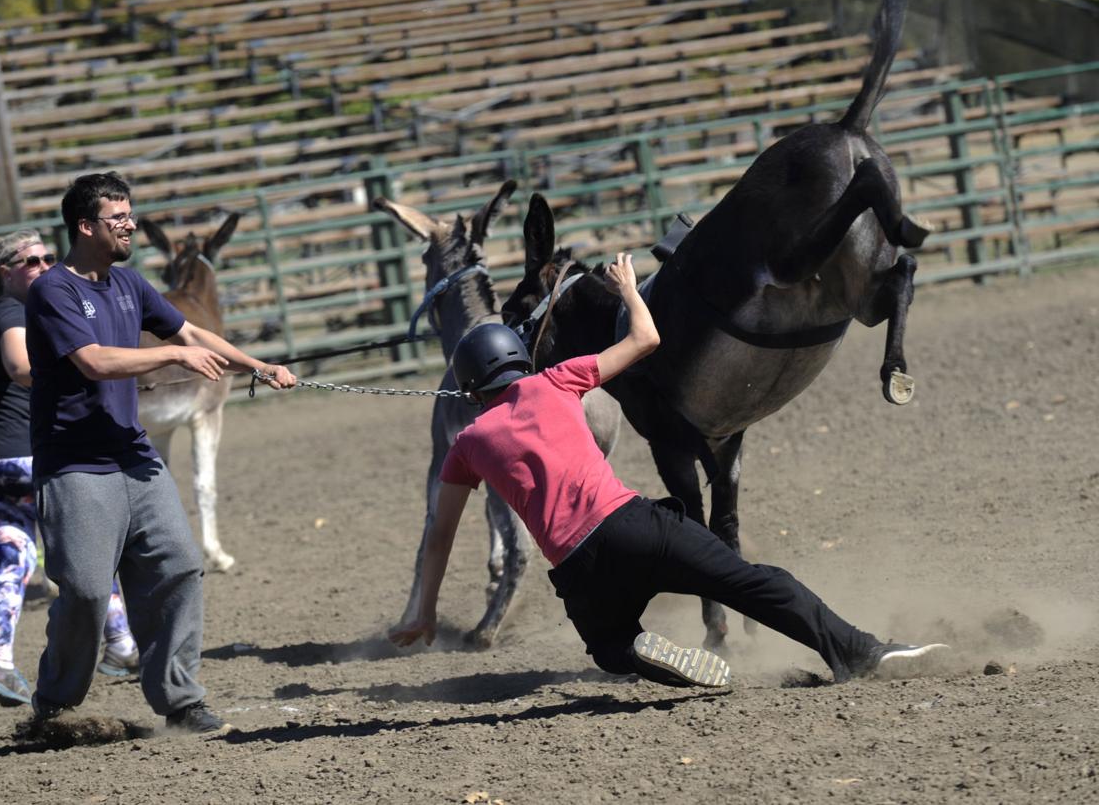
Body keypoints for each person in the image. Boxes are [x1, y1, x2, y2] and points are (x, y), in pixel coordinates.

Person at [391, 253, 947, 687]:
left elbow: (440, 534)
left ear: (469, 386)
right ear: (516, 357)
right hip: (633, 527)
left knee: (607, 648)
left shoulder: (468, 442)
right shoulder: (557, 380)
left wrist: (427, 611)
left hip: (577, 568)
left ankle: (629, 647)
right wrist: (630, 290)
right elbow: (646, 339)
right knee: (752, 583)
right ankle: (859, 651)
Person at [24, 172, 297, 735]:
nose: (129, 225)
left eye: (129, 214)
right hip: (76, 466)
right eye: (117, 218)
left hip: (134, 458)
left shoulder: (128, 284)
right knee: (88, 591)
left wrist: (260, 366)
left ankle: (180, 699)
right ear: (85, 226)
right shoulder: (55, 291)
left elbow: (192, 335)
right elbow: (96, 361)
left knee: (179, 564)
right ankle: (55, 697)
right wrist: (168, 357)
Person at [0, 229, 139, 708]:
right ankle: (121, 645)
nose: (41, 266)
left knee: (16, 559)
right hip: (24, 458)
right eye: (29, 260)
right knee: (90, 544)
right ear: (5, 272)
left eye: (47, 257)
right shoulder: (16, 312)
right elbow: (20, 366)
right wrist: (84, 369)